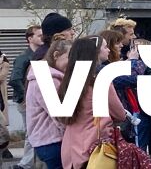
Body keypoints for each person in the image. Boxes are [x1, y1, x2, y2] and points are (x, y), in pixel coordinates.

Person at [60, 36, 128, 169]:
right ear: (94, 54)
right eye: (104, 46)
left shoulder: (66, 82)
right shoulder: (100, 82)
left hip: (70, 149)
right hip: (94, 148)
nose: (108, 49)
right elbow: (120, 114)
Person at [24, 37, 71, 169]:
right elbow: (60, 115)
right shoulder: (45, 79)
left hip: (49, 141)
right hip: (52, 141)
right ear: (56, 55)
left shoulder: (48, 76)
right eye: (69, 58)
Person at [9, 24, 42, 169]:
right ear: (30, 38)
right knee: (31, 132)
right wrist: (25, 98)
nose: (43, 38)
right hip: (26, 102)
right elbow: (14, 79)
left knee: (35, 131)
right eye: (39, 35)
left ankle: (30, 163)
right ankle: (25, 164)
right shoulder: (23, 58)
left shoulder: (38, 56)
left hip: (34, 101)